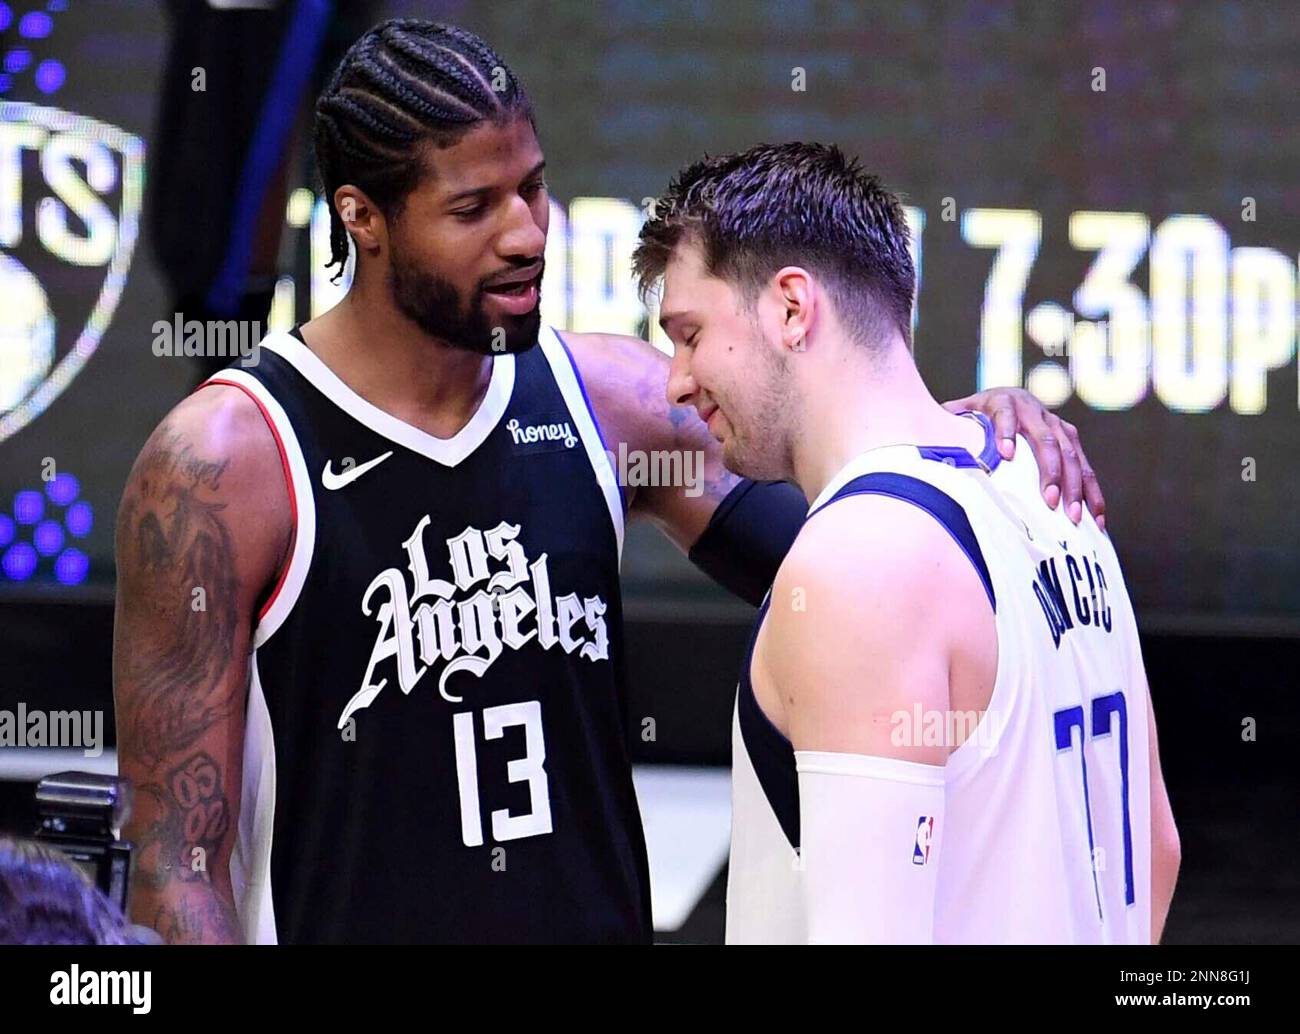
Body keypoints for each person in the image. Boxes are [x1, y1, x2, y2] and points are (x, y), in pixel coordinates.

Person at [114, 20, 1104, 944]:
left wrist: (969, 444)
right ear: (362, 219)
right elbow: (174, 860)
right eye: (473, 207)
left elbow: (875, 563)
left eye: (532, 188)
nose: (525, 232)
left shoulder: (609, 403)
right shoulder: (228, 460)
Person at [633, 141, 1179, 943]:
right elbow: (1157, 850)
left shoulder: (859, 560)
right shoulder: (1046, 480)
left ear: (791, 307)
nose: (676, 381)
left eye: (689, 333)